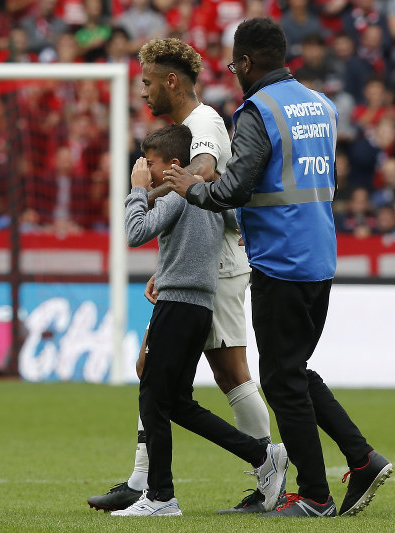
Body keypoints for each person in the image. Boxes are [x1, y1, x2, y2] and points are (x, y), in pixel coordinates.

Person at [165, 17, 392, 518]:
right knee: (292, 371)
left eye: (234, 66)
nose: (235, 74)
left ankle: (314, 496)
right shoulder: (321, 104)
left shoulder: (258, 111)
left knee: (281, 380)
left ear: (246, 62)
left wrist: (193, 189)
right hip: (320, 254)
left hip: (280, 259)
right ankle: (362, 458)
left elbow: (236, 187)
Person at [87, 37, 276, 514]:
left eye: (148, 83)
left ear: (172, 81)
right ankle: (145, 481)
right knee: (157, 376)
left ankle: (267, 470)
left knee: (228, 373)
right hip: (193, 264)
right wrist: (165, 264)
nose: (143, 92)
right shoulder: (182, 128)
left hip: (218, 266)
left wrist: (145, 193)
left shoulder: (203, 122)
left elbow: (203, 172)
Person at [112, 123, 288, 517]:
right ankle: (261, 454)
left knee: (152, 397)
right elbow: (235, 223)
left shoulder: (177, 193)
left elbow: (136, 232)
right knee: (175, 403)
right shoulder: (207, 194)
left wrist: (137, 190)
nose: (145, 169)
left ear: (175, 164)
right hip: (199, 307)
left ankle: (160, 497)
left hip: (177, 305)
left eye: (150, 163)